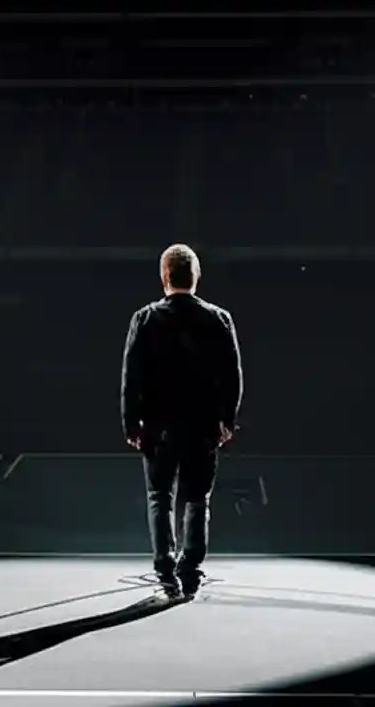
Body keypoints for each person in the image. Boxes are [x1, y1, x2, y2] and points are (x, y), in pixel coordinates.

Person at [121, 244, 243, 599]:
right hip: (202, 425)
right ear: (195, 276)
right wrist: (227, 421)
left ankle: (164, 567)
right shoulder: (219, 318)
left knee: (159, 494)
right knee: (197, 497)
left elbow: (132, 377)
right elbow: (232, 377)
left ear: (164, 276)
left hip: (158, 426)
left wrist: (131, 424)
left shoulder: (144, 319)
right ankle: (190, 567)